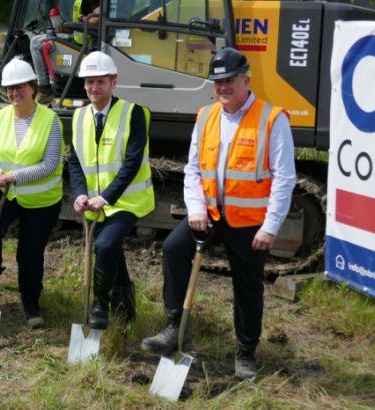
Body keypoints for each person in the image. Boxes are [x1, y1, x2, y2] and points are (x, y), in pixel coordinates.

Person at [140, 48, 296, 381]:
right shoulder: (206, 115)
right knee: (173, 249)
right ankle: (175, 327)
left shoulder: (272, 118)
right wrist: (195, 209)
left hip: (250, 223)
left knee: (248, 286)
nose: (222, 87)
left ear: (246, 80)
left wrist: (270, 227)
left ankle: (246, 352)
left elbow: (284, 177)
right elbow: (193, 169)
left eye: (229, 80)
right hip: (209, 214)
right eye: (217, 81)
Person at [0, 59, 64, 329]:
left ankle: (31, 302)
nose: (14, 94)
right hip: (3, 194)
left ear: (32, 87)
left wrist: (12, 176)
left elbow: (51, 164)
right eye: (9, 89)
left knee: (29, 254)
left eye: (20, 88)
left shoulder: (50, 120)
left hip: (41, 200)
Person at [68, 51, 154, 330]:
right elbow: (76, 162)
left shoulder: (133, 114)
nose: (94, 88)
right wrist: (80, 193)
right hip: (95, 203)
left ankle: (100, 306)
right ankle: (126, 314)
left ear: (113, 81)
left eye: (100, 82)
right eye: (89, 82)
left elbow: (132, 163)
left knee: (104, 244)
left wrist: (105, 198)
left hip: (127, 201)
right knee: (111, 250)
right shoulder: (78, 117)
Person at [30, 0, 101, 104]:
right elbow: (76, 29)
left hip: (88, 48)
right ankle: (51, 83)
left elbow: (98, 19)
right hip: (80, 44)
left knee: (37, 43)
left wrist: (81, 19)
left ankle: (45, 89)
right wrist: (62, 27)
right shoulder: (79, 2)